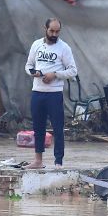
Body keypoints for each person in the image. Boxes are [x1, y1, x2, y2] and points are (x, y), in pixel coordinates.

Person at [25, 18, 77, 169]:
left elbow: (73, 70)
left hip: (54, 93)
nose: (54, 34)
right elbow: (28, 65)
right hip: (37, 92)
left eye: (57, 31)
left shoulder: (64, 48)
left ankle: (58, 162)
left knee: (58, 128)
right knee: (38, 127)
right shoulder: (36, 45)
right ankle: (38, 160)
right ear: (45, 29)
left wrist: (54, 74)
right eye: (51, 31)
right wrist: (34, 73)